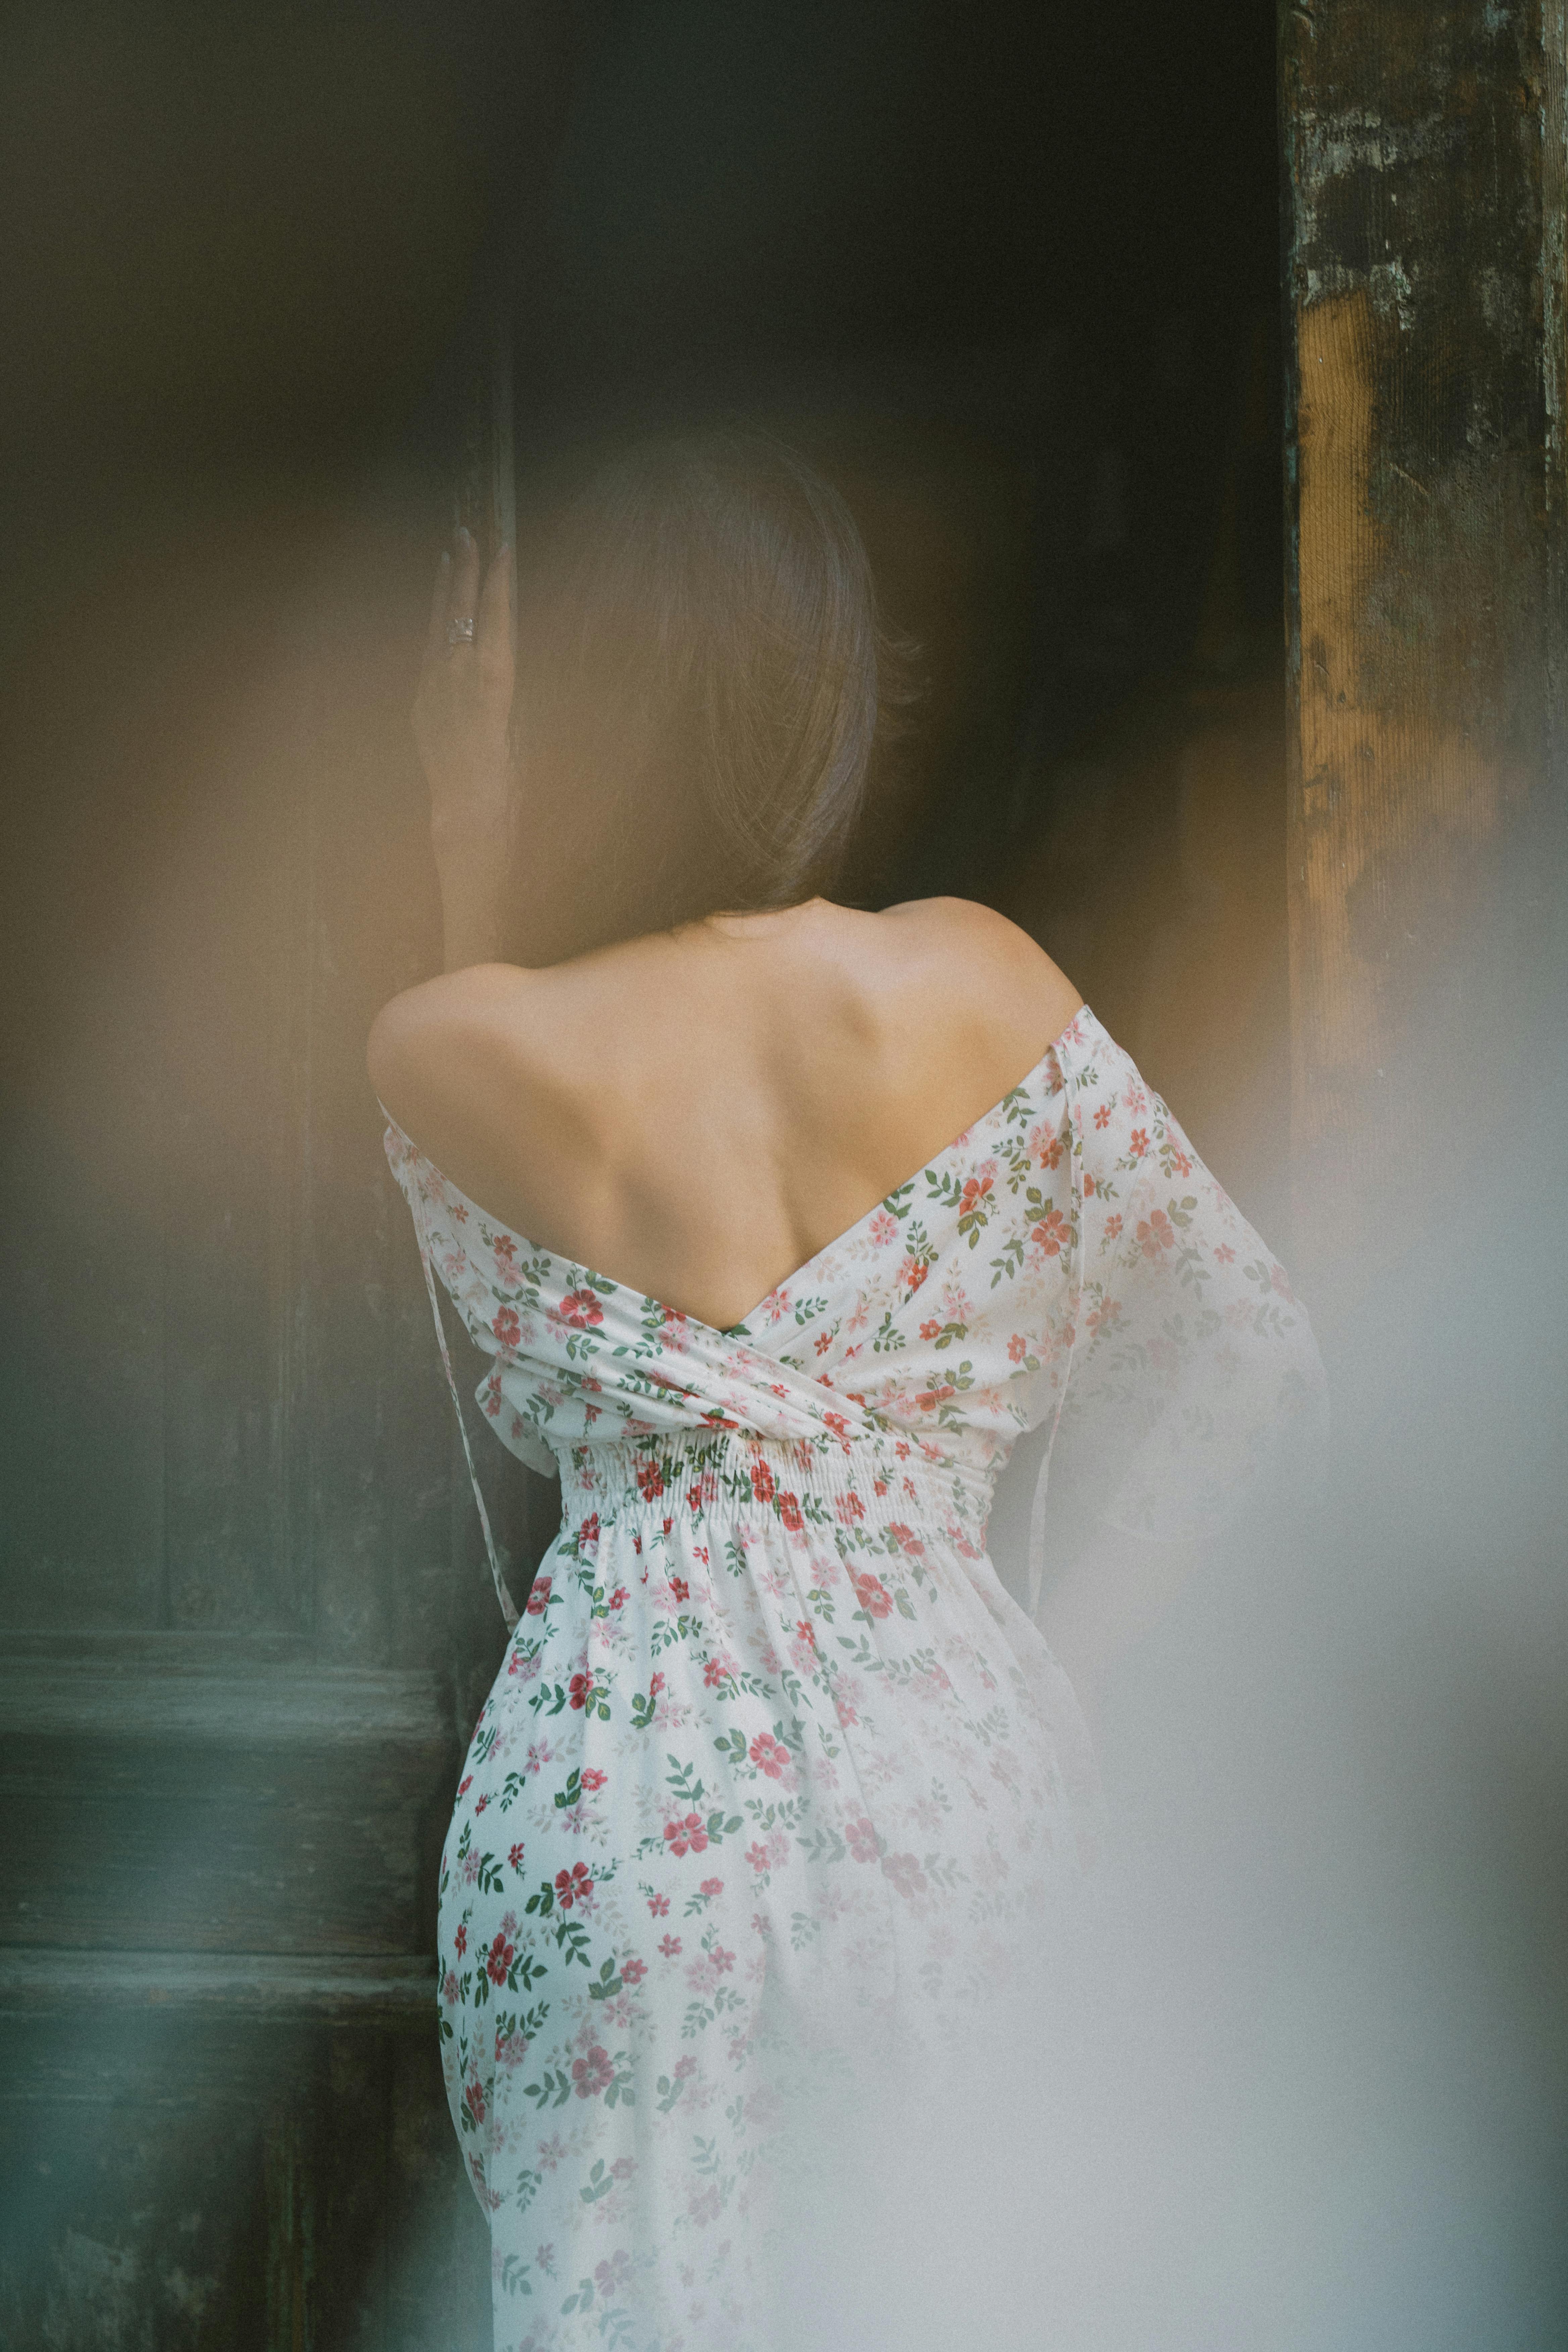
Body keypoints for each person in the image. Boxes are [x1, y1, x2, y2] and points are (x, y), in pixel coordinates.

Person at [369, 434, 1323, 2352]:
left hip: (609, 1807)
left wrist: (472, 824)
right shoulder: (979, 983)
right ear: (833, 703)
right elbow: (1255, 1360)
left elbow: (491, 1042)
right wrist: (1065, 1652)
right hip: (942, 1770)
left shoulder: (452, 1041)